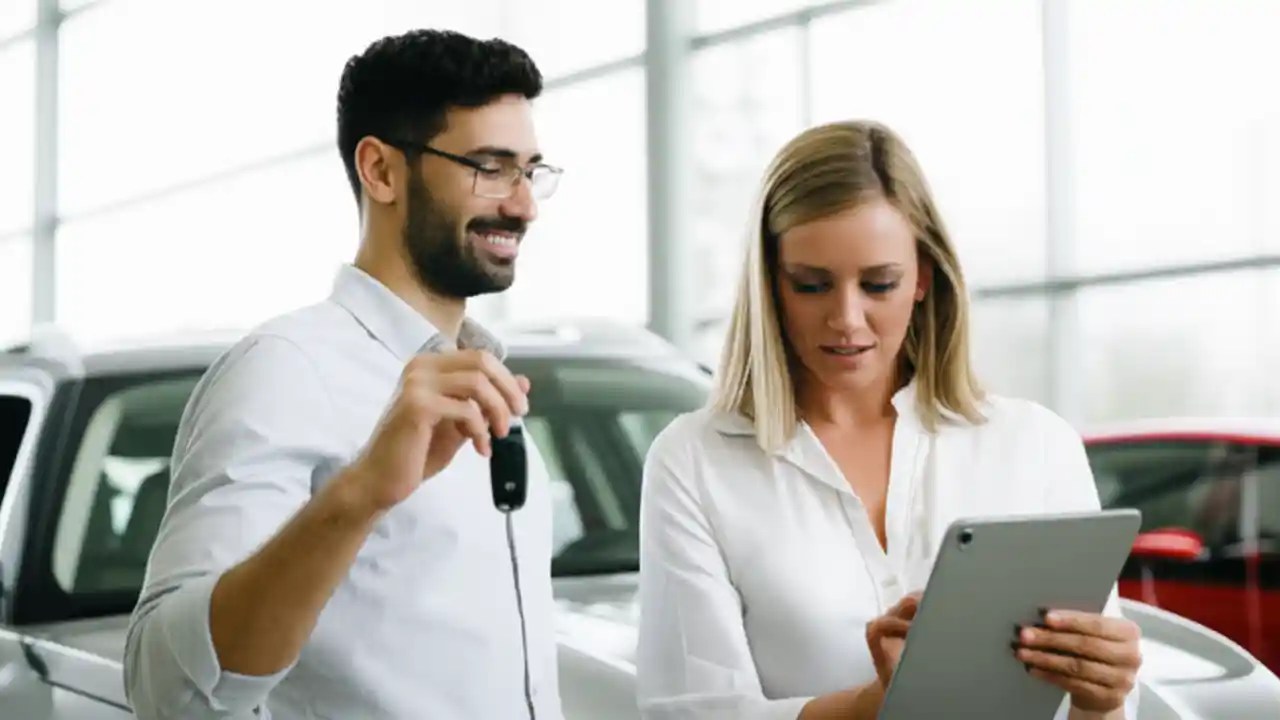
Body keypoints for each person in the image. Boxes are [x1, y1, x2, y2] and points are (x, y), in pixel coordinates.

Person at [124, 29, 566, 720]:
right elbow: (168, 690)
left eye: (530, 171)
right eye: (489, 167)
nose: (524, 205)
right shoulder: (285, 370)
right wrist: (358, 497)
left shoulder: (490, 385)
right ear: (382, 171)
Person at [635, 120, 1142, 719]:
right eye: (812, 285)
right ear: (770, 284)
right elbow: (690, 713)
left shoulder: (1035, 446)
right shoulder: (696, 460)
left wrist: (1102, 696)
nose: (847, 319)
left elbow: (1094, 713)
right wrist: (872, 708)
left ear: (923, 277)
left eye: (879, 284)